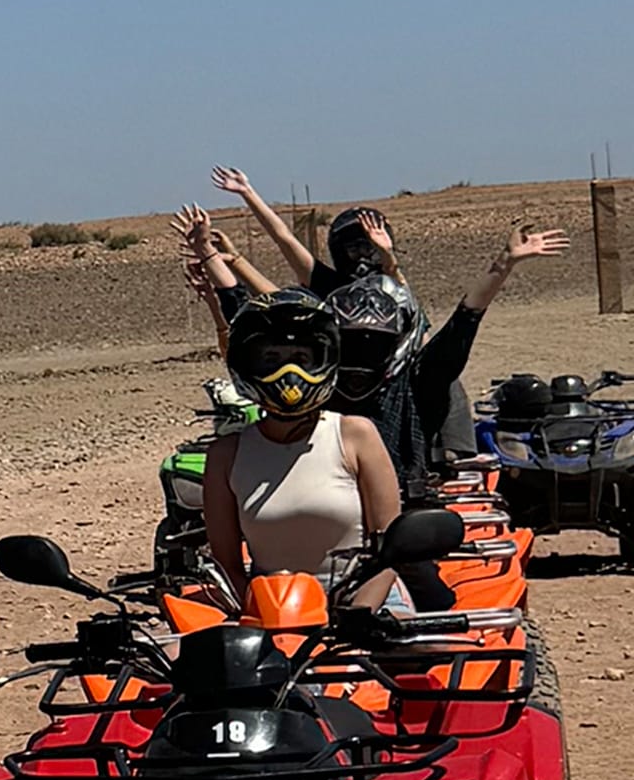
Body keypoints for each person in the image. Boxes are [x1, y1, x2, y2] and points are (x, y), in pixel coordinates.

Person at [203, 291, 402, 613]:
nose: (289, 373)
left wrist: (356, 616)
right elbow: (227, 564)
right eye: (272, 360)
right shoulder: (226, 455)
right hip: (271, 610)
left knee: (413, 662)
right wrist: (261, 614)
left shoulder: (355, 435)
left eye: (302, 358)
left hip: (365, 603)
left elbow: (391, 551)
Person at [332, 224, 569, 494]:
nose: (363, 349)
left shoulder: (418, 381)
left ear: (400, 336)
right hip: (331, 504)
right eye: (352, 339)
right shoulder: (321, 383)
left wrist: (504, 262)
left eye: (375, 340)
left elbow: (465, 318)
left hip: (405, 506)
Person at [212, 167, 410, 300]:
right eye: (354, 249)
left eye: (369, 248)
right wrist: (247, 192)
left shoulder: (393, 289)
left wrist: (386, 254)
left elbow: (417, 327)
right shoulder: (330, 285)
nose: (363, 257)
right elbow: (284, 238)